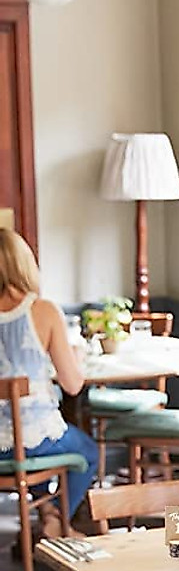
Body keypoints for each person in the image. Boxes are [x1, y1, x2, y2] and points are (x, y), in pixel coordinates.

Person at [0, 229, 98, 536]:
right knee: (86, 450)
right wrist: (77, 356)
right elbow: (72, 385)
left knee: (32, 450)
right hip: (34, 440)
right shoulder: (42, 311)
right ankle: (57, 520)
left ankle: (43, 509)